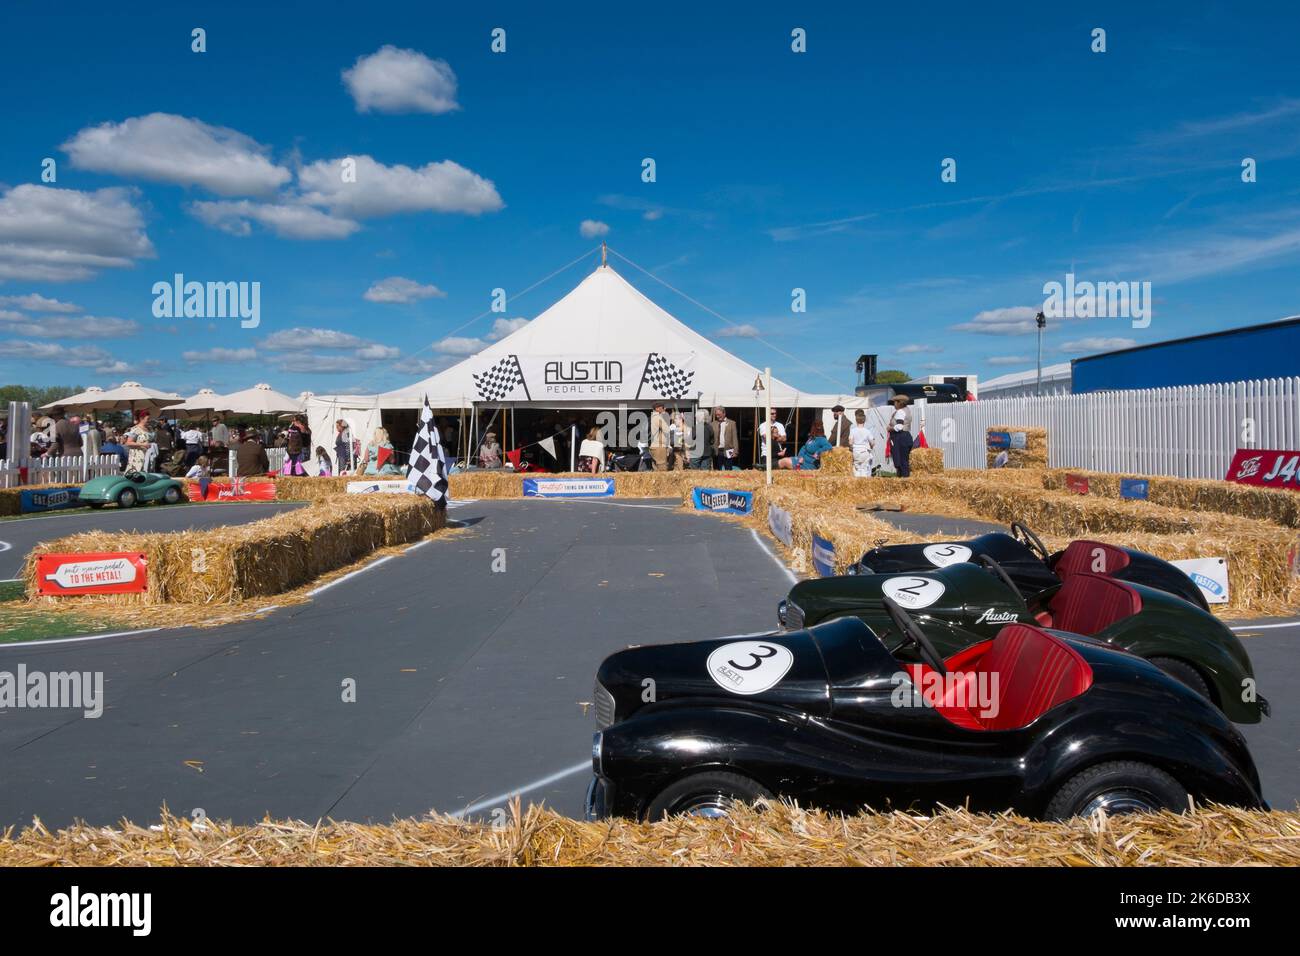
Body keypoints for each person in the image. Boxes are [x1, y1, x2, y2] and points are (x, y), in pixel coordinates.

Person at [888, 395, 915, 478]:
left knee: (900, 462)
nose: (894, 404)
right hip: (906, 437)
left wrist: (890, 428)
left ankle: (904, 480)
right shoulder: (907, 410)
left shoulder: (900, 412)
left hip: (900, 438)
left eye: (895, 402)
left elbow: (899, 426)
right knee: (904, 461)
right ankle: (903, 479)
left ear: (899, 403)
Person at [850, 409, 877, 477]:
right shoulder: (867, 431)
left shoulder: (853, 430)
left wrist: (852, 448)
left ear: (856, 420)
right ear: (864, 420)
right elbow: (872, 443)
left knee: (856, 469)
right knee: (865, 469)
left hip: (856, 451)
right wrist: (871, 446)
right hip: (865, 451)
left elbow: (850, 442)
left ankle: (857, 481)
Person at [710, 406, 739, 471]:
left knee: (728, 470)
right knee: (717, 470)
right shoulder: (713, 424)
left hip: (729, 450)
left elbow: (735, 438)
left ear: (724, 413)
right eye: (716, 415)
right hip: (716, 451)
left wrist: (736, 451)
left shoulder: (732, 423)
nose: (717, 416)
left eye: (719, 414)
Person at [647, 402, 670, 471]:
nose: (665, 409)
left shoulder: (651, 417)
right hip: (659, 447)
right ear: (657, 409)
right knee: (662, 469)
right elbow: (667, 430)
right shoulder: (658, 418)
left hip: (653, 446)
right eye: (663, 407)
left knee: (656, 469)